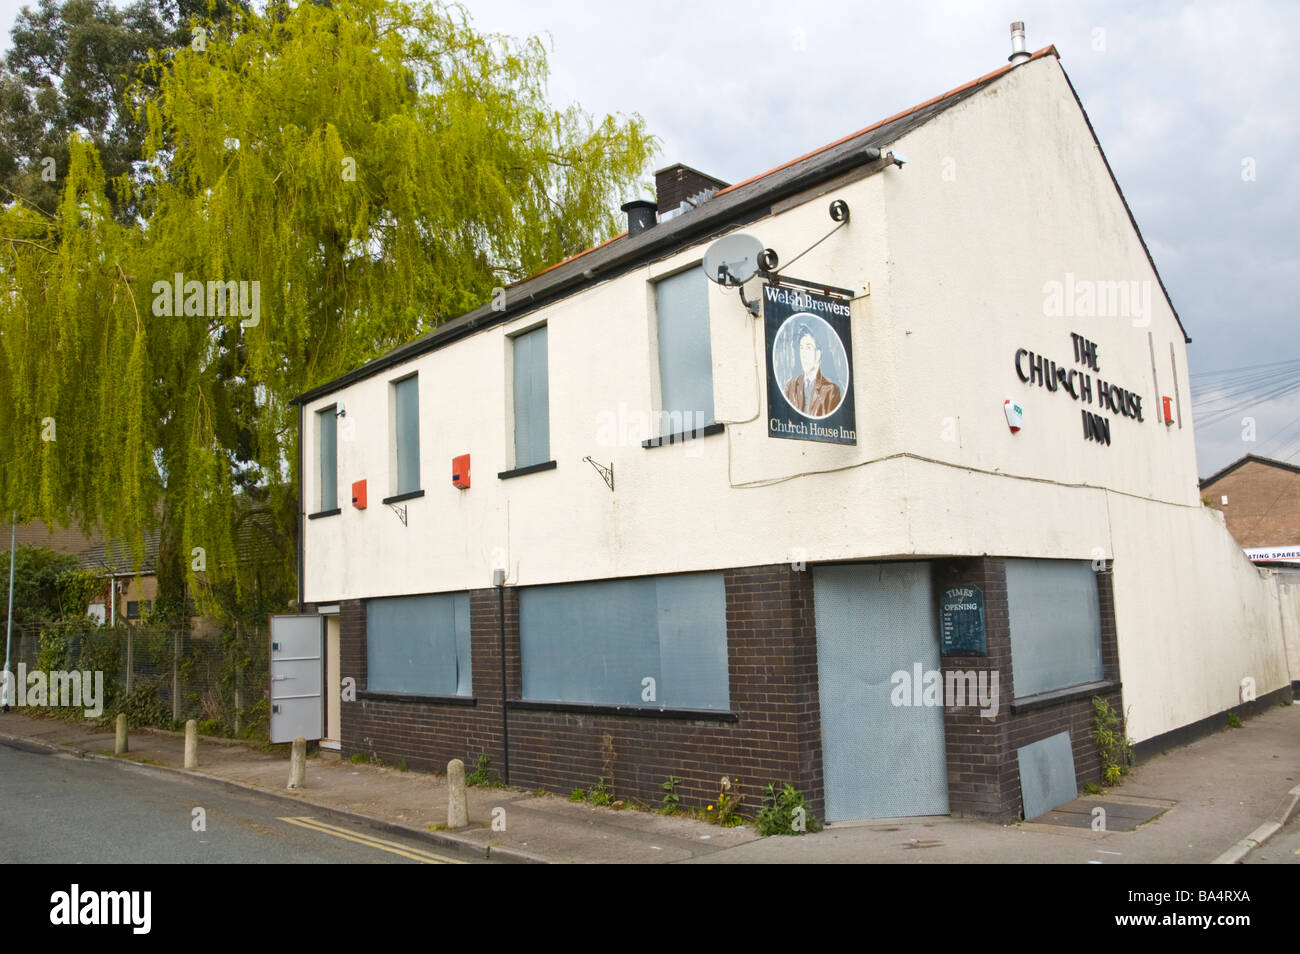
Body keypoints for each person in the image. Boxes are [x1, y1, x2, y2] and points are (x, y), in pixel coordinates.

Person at [783, 323, 842, 417]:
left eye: (808, 348)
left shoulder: (832, 391)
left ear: (818, 354)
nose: (803, 354)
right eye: (801, 348)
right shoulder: (790, 386)